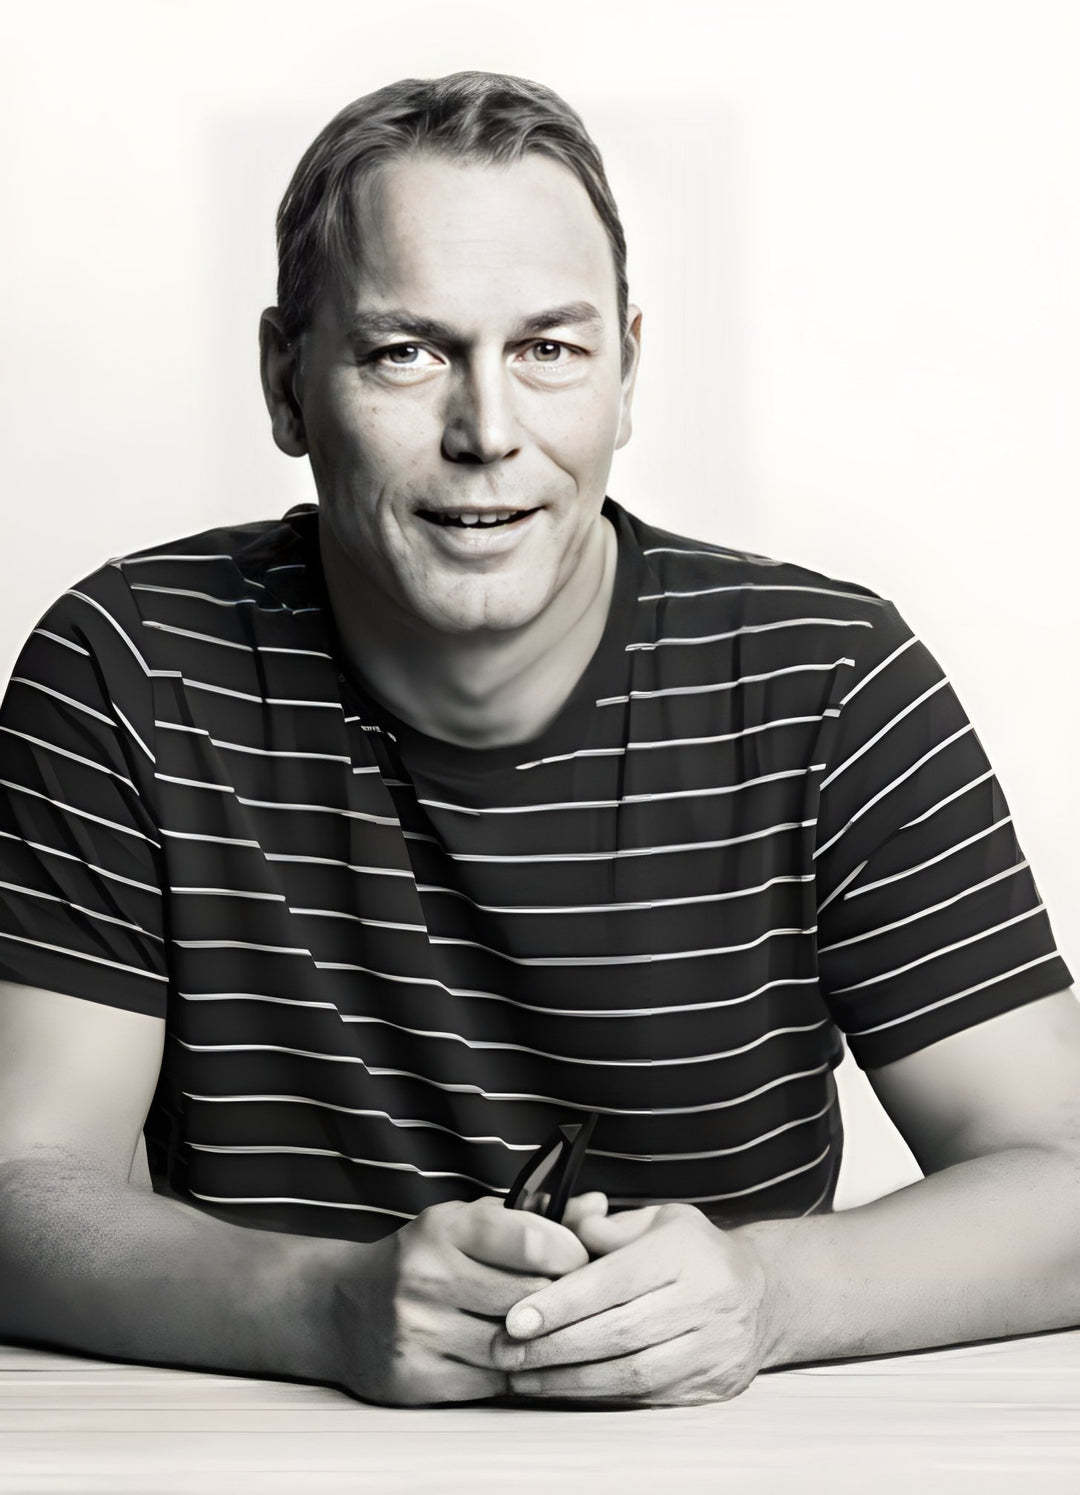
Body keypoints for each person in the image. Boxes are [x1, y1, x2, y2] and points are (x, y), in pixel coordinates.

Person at [0, 72, 1077, 1410]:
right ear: (286, 382)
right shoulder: (131, 666)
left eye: (549, 351)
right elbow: (21, 1186)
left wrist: (771, 1296)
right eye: (407, 352)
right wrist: (319, 1305)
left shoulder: (829, 682)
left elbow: (1061, 1175)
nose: (488, 433)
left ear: (626, 372)